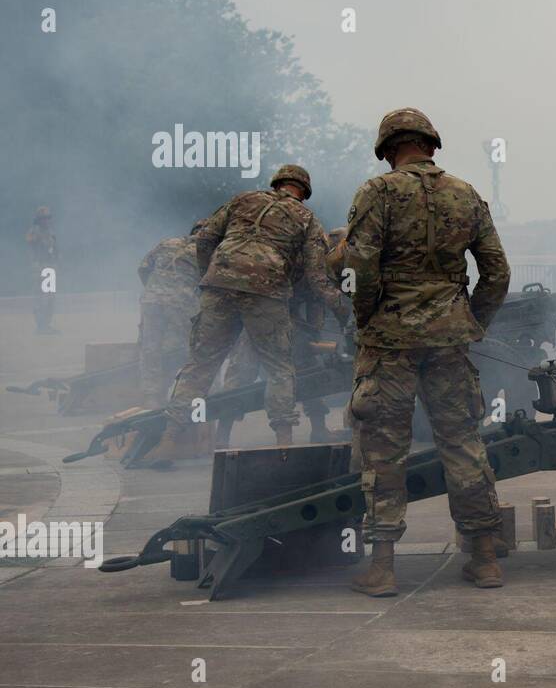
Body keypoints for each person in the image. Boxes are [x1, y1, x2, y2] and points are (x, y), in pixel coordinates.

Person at [342, 107, 510, 597]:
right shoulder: (466, 194)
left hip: (389, 343)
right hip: (450, 342)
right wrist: (471, 321)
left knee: (384, 451)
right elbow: (497, 271)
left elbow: (359, 265)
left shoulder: (378, 192)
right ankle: (484, 559)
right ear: (431, 144)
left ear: (389, 148)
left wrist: (368, 318)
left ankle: (384, 567)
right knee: (463, 443)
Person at [153, 165, 349, 454]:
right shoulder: (307, 219)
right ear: (303, 194)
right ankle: (284, 443)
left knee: (201, 364)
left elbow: (205, 238)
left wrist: (211, 274)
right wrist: (344, 313)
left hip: (219, 285)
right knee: (280, 369)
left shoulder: (242, 199)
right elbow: (317, 277)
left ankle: (169, 437)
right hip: (266, 293)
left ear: (276, 184)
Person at [136, 223, 202, 408]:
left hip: (151, 300)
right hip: (182, 301)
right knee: (191, 347)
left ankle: (152, 396)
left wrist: (155, 289)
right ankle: (188, 393)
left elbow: (143, 268)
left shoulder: (167, 242)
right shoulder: (207, 248)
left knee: (150, 348)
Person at [25, 206, 58, 334]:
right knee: (42, 297)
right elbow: (30, 241)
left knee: (50, 297)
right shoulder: (35, 231)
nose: (47, 220)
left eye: (48, 218)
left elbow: (54, 249)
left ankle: (46, 325)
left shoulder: (50, 232)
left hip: (50, 267)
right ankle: (41, 326)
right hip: (40, 267)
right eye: (44, 218)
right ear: (39, 219)